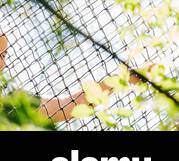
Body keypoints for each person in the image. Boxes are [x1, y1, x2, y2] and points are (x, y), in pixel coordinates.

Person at [0, 29, 143, 127]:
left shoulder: (12, 100)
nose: (2, 62)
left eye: (4, 55)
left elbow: (65, 107)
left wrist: (122, 79)